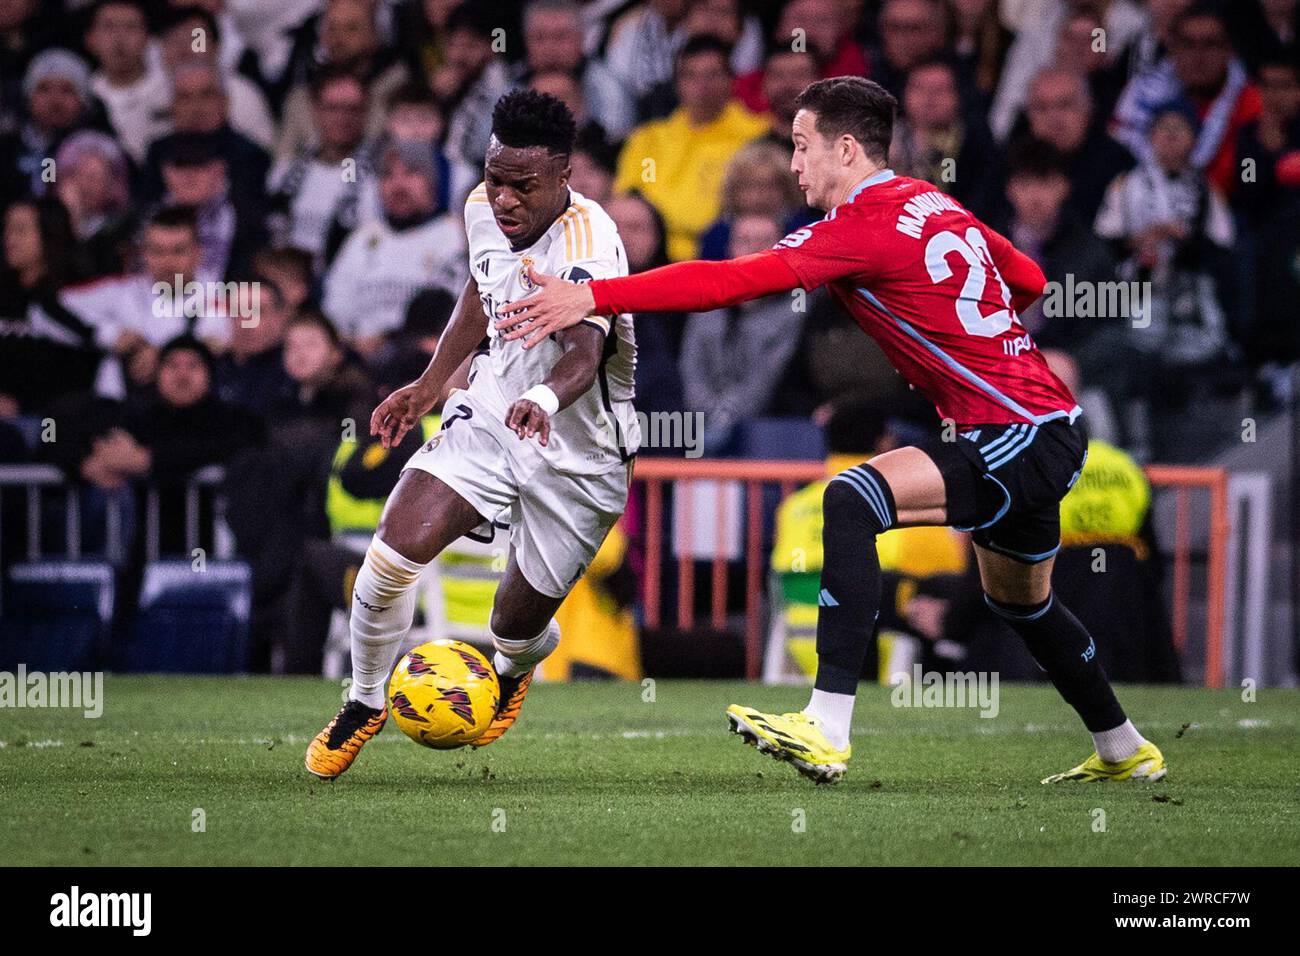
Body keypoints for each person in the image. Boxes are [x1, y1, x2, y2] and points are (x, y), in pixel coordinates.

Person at [498, 76, 1166, 787]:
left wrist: (594, 293)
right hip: (1047, 420)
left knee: (851, 500)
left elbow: (727, 283)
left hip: (1012, 430)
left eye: (801, 145)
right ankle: (1125, 747)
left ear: (845, 149)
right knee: (1019, 603)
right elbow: (1026, 277)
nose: (793, 165)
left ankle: (826, 723)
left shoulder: (859, 227)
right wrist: (974, 347)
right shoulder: (934, 201)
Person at [304, 90, 641, 779]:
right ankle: (365, 701)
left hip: (581, 450)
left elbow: (583, 354)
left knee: (512, 628)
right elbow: (480, 287)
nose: (506, 200)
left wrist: (544, 396)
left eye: (525, 186)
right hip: (492, 410)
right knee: (393, 551)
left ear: (563, 179)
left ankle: (515, 666)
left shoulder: (589, 243)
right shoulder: (481, 208)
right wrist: (432, 383)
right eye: (496, 180)